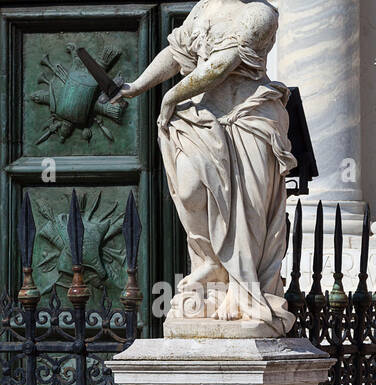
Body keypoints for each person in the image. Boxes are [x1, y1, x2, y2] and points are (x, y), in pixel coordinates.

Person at [113, 0, 295, 334]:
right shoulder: (205, 7)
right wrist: (137, 86)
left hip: (247, 118)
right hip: (202, 119)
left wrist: (170, 98)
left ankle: (242, 290)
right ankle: (212, 261)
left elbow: (223, 63)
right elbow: (177, 52)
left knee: (246, 213)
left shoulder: (261, 13)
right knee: (189, 189)